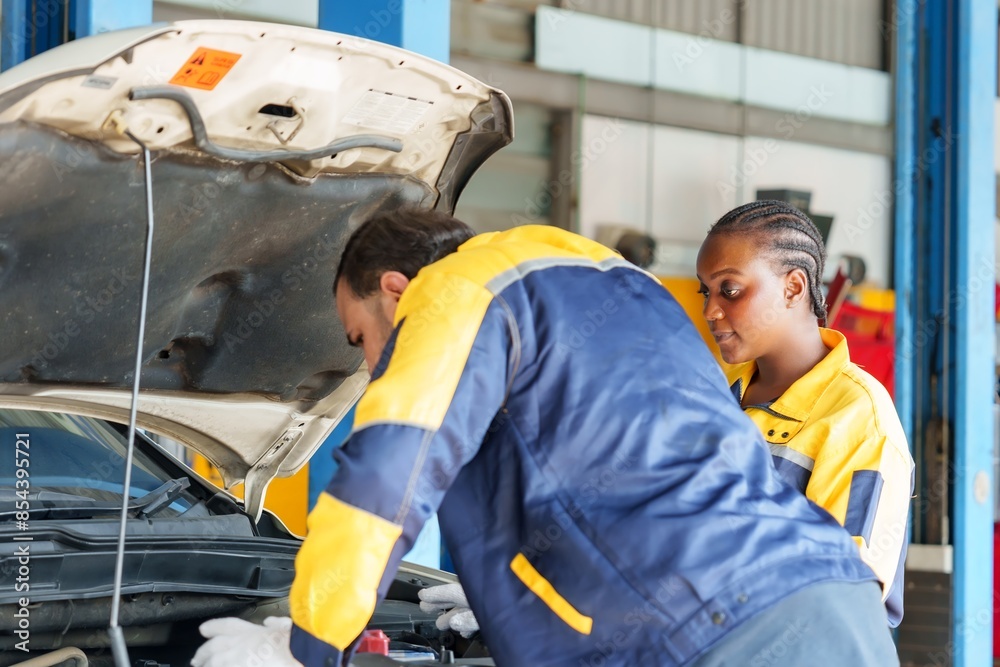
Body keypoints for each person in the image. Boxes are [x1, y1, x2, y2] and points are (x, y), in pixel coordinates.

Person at [192, 208, 899, 667]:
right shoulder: (616, 284)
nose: (370, 363)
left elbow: (387, 477)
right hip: (836, 609)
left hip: (717, 634)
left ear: (398, 289)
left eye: (361, 337)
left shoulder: (455, 292)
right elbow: (636, 474)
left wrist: (307, 643)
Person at [696, 200, 915, 627]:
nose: (710, 310)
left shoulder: (857, 420)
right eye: (706, 291)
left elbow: (841, 598)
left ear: (794, 288)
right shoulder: (720, 398)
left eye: (730, 289)